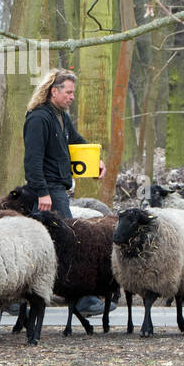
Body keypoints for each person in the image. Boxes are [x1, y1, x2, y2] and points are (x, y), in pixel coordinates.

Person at [22, 68, 110, 316]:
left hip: (58, 188)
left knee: (49, 243)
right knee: (71, 240)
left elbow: (77, 142)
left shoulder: (60, 117)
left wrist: (96, 162)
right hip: (47, 189)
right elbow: (32, 160)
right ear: (54, 91)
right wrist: (42, 193)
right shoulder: (39, 119)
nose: (72, 97)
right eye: (68, 92)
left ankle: (23, 297)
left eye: (73, 93)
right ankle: (81, 298)